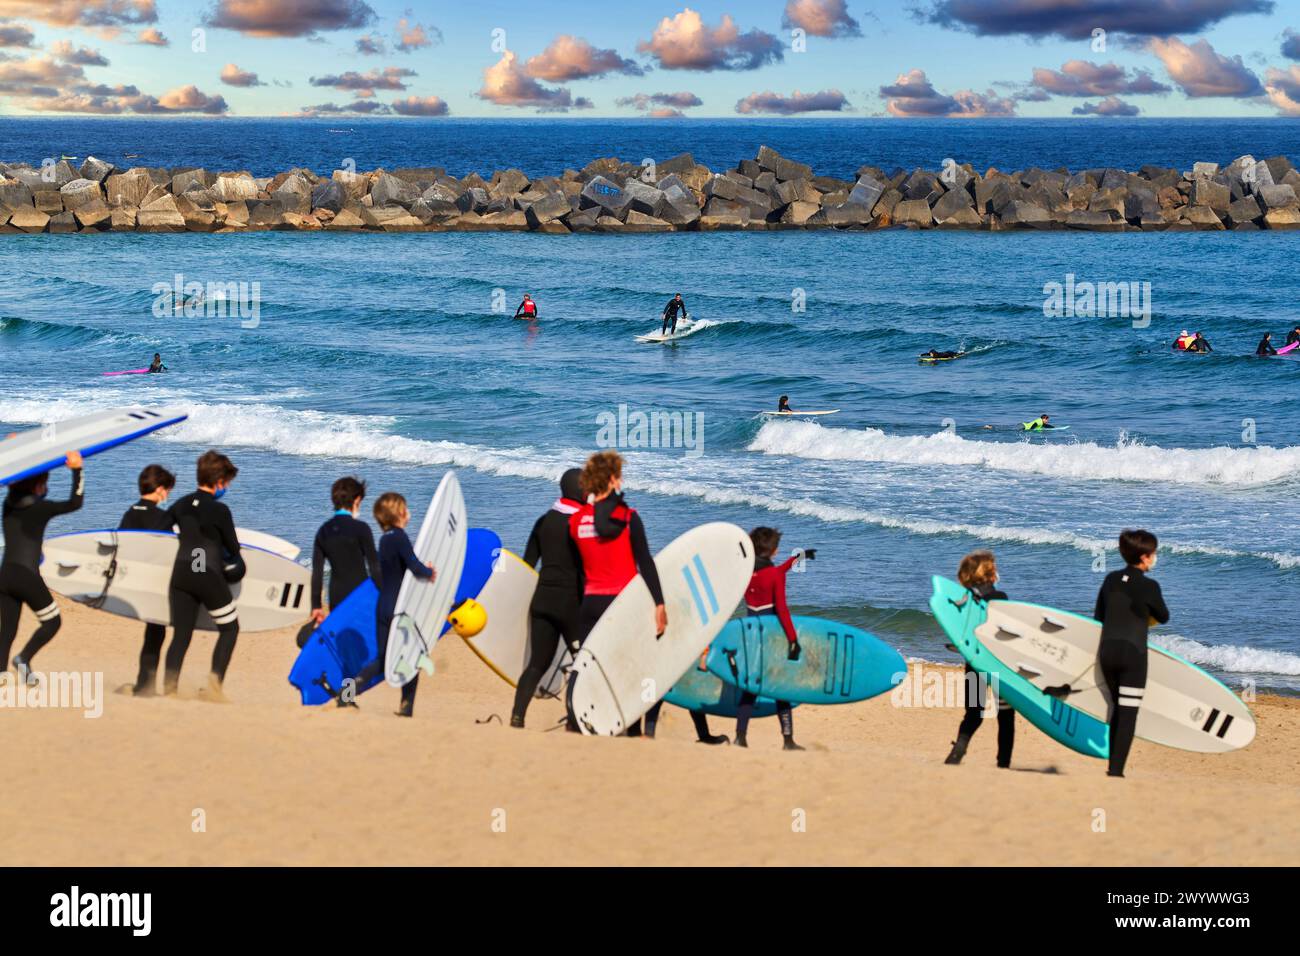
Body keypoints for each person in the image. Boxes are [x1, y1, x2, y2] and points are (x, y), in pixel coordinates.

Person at [567, 451, 668, 737]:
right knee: (636, 671)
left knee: (590, 670)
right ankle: (634, 729)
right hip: (622, 606)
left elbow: (577, 571)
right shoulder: (628, 517)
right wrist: (659, 603)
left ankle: (583, 725)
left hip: (589, 605)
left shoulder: (576, 522)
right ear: (612, 480)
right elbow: (645, 562)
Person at [162, 450, 244, 701]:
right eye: (227, 482)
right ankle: (213, 688)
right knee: (230, 628)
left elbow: (160, 530)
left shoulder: (181, 504)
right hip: (206, 574)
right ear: (219, 482)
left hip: (182, 573)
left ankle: (169, 690)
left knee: (181, 636)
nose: (227, 487)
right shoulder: (220, 510)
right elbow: (233, 548)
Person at [1089, 530, 1168, 778]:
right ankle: (1115, 771)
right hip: (1133, 655)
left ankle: (1113, 766)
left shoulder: (1111, 579)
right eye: (1153, 554)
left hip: (1108, 652)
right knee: (1128, 712)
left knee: (1116, 709)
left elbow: (1099, 616)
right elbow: (1164, 616)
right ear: (1144, 557)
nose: (1155, 558)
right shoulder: (1149, 586)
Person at [0, 452, 84, 684]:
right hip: (26, 576)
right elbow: (75, 503)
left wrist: (16, 451)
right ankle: (23, 659)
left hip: (5, 575)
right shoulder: (41, 508)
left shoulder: (7, 505)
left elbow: (11, 483)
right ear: (39, 485)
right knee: (52, 621)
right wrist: (77, 469)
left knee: (7, 628)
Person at [512, 469, 584, 728]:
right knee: (583, 664)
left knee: (537, 664)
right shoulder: (582, 524)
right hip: (570, 604)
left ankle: (517, 716)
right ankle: (574, 721)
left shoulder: (543, 521)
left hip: (542, 601)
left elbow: (527, 564)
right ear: (579, 490)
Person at [352, 492, 435, 717]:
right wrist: (430, 572)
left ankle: (348, 691)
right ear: (400, 513)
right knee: (411, 655)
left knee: (382, 658)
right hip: (400, 608)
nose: (409, 513)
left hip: (384, 605)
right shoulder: (400, 537)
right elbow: (414, 566)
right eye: (406, 508)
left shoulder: (385, 539)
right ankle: (406, 707)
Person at [733, 527, 804, 751]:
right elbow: (781, 609)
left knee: (751, 686)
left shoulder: (746, 572)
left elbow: (774, 572)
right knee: (779, 687)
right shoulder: (773, 575)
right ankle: (788, 740)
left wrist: (796, 559)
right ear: (773, 550)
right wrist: (793, 639)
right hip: (771, 635)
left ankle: (740, 737)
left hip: (751, 633)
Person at [943, 550, 1015, 767]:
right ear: (992, 574)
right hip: (998, 665)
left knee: (973, 714)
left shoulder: (965, 603)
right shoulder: (1001, 598)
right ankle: (1003, 764)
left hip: (974, 663)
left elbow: (962, 633)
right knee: (1005, 716)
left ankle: (956, 753)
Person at [118, 464, 176, 696]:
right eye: (168, 490)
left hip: (133, 579)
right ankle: (147, 684)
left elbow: (122, 545)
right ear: (160, 489)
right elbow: (169, 551)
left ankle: (144, 681)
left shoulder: (130, 512)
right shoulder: (161, 517)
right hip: (155, 581)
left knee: (152, 632)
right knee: (156, 632)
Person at [309, 477, 381, 628]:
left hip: (336, 596)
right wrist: (384, 595)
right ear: (357, 500)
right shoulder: (362, 528)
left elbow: (317, 572)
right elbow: (375, 567)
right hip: (360, 594)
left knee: (342, 640)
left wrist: (316, 605)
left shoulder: (323, 531)